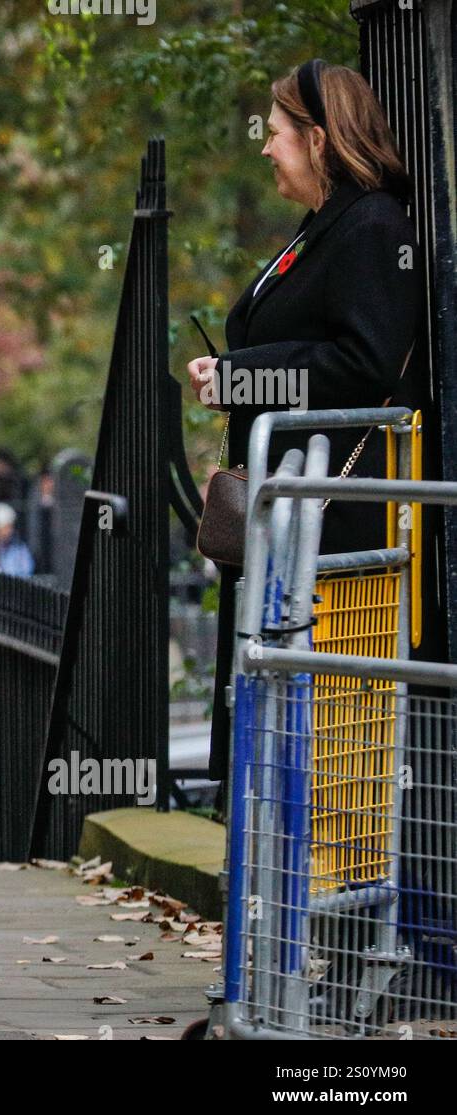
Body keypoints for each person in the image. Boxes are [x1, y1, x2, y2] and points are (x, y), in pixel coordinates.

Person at [187, 60, 421, 784]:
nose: (266, 146)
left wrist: (241, 375)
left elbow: (367, 360)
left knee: (334, 721)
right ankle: (281, 872)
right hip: (291, 515)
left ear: (320, 140)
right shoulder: (322, 225)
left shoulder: (374, 224)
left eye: (279, 131)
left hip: (340, 521)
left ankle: (336, 869)